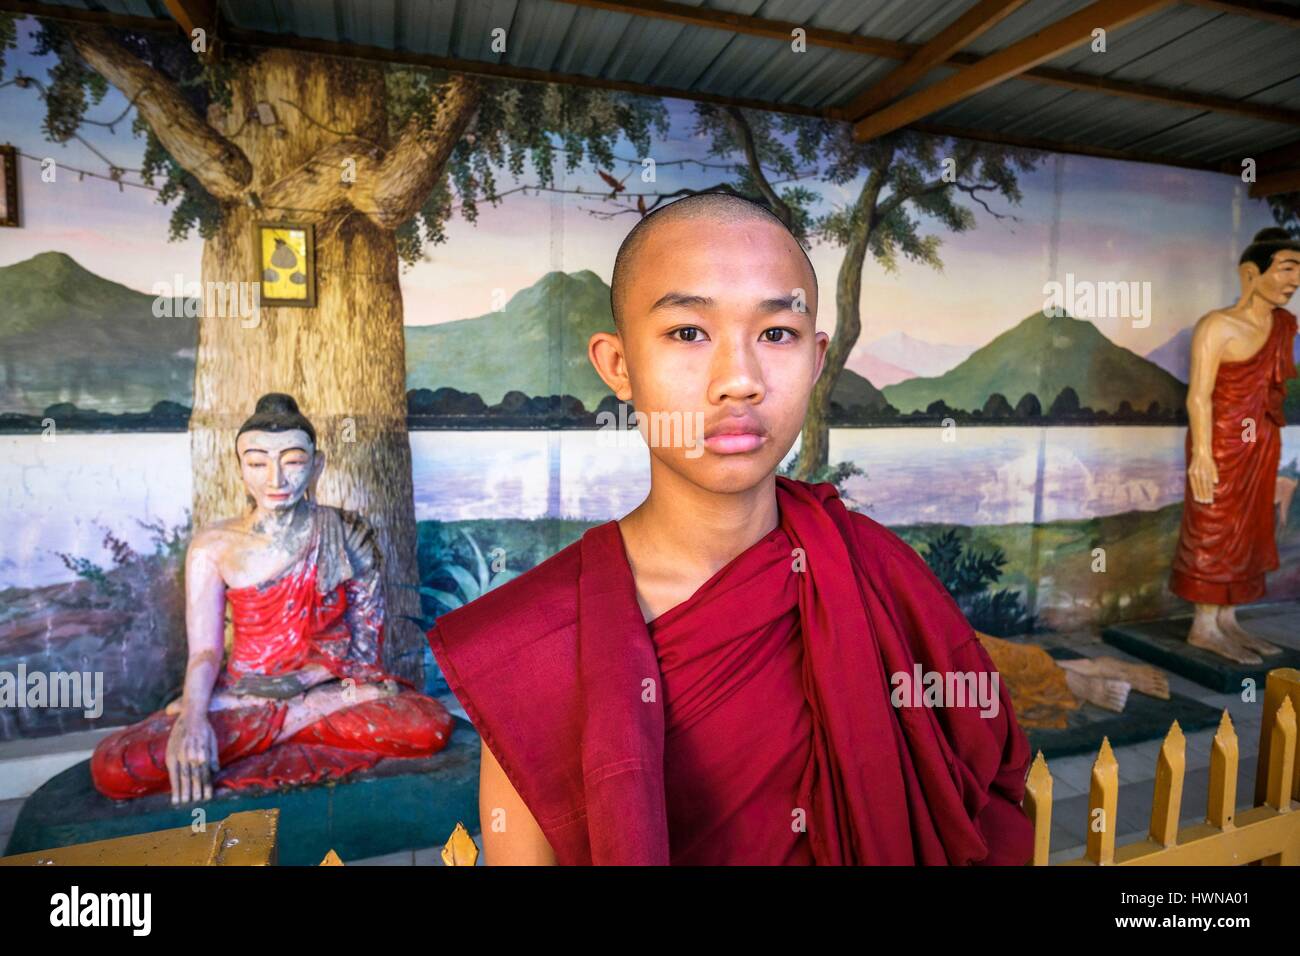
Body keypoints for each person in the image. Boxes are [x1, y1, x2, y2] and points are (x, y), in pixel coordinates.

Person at [427, 193, 1034, 865]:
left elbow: (986, 778)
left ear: (816, 359)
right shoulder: (536, 644)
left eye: (777, 334)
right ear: (618, 366)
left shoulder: (874, 571)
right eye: (689, 332)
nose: (739, 380)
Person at [92, 393, 454, 803]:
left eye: (293, 461)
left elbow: (365, 652)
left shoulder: (346, 533)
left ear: (317, 465)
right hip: (244, 693)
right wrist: (193, 719)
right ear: (241, 469)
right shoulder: (213, 546)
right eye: (258, 462)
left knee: (428, 724)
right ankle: (287, 724)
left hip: (327, 690)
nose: (275, 479)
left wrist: (308, 688)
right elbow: (205, 653)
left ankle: (278, 725)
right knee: (116, 765)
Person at [1170, 227, 1299, 663]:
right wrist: (1202, 455)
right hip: (1220, 444)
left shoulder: (1282, 325)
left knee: (1250, 528)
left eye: (1299, 272)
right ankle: (1203, 625)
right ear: (1251, 272)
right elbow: (1198, 395)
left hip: (1260, 442)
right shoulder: (1217, 326)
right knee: (1212, 527)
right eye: (1286, 268)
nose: (1294, 281)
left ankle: (1228, 620)